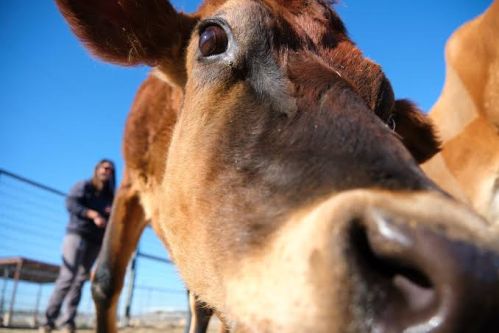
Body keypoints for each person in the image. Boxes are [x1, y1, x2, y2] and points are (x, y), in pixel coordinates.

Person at [39, 159, 116, 333]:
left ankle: (68, 322)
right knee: (67, 277)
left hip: (96, 241)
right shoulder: (84, 186)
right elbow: (71, 204)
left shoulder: (110, 197)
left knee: (80, 281)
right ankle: (48, 321)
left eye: (111, 170)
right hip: (77, 234)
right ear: (97, 169)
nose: (107, 172)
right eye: (104, 168)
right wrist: (92, 214)